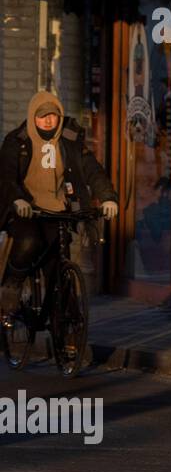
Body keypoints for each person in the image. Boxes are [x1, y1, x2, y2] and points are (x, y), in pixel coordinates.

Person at [0, 91, 119, 317]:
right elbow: (6, 175)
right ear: (33, 117)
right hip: (26, 210)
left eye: (53, 115)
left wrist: (107, 197)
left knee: (58, 267)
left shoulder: (69, 140)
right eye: (42, 115)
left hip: (58, 210)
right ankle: (13, 282)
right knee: (30, 241)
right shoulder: (16, 140)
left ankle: (66, 330)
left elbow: (92, 170)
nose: (48, 120)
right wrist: (17, 198)